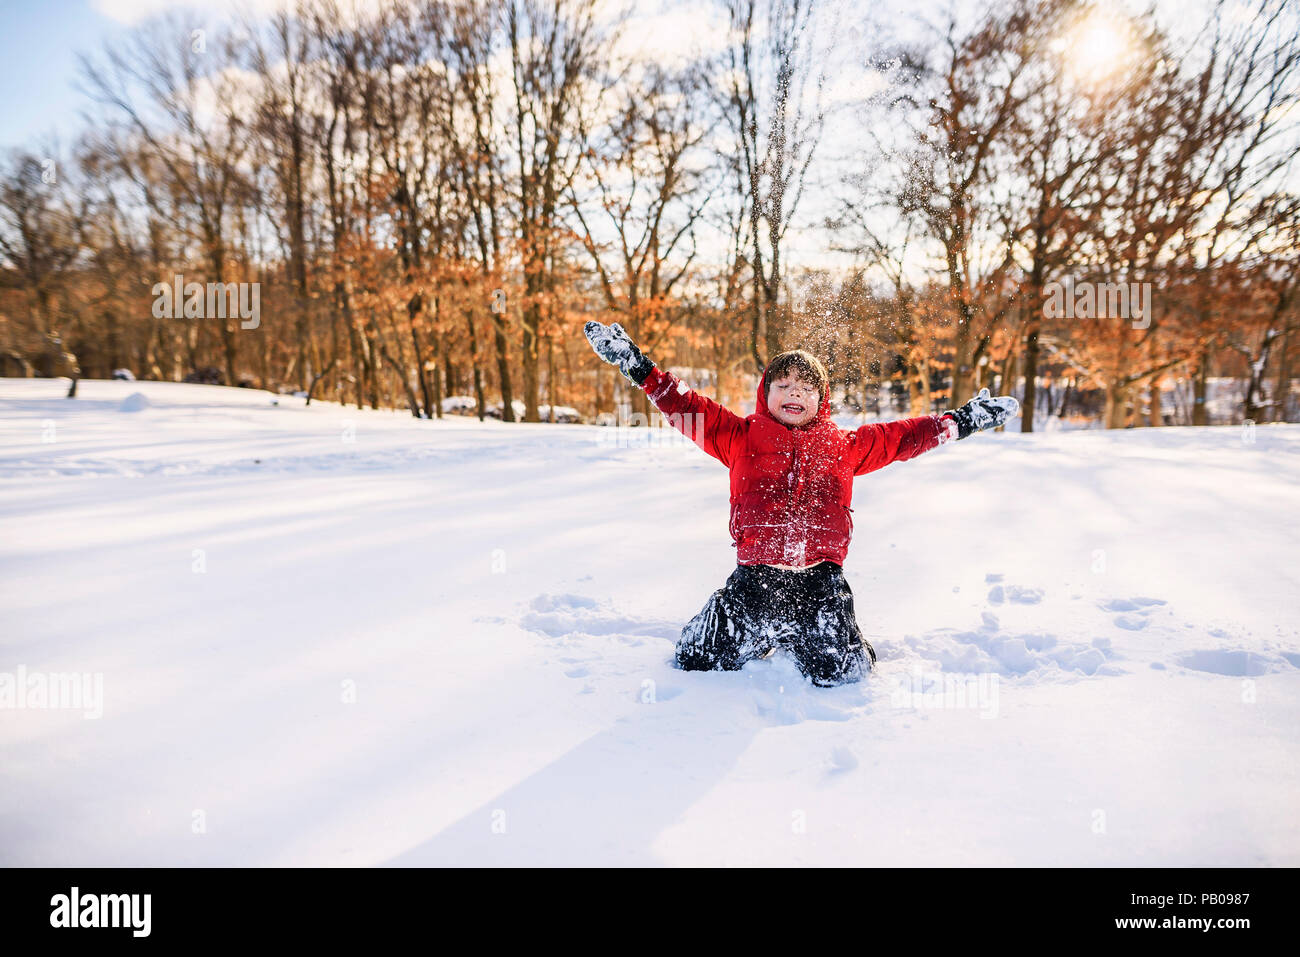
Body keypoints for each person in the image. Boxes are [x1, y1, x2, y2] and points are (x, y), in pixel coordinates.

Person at [583, 321, 1019, 686]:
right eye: (784, 384)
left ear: (821, 399)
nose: (795, 393)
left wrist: (962, 420)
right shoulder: (738, 436)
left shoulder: (844, 445)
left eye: (807, 387)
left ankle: (814, 637)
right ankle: (764, 633)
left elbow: (904, 437)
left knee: (843, 675)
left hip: (820, 588)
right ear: (766, 392)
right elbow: (684, 405)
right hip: (755, 585)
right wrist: (637, 365)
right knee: (696, 660)